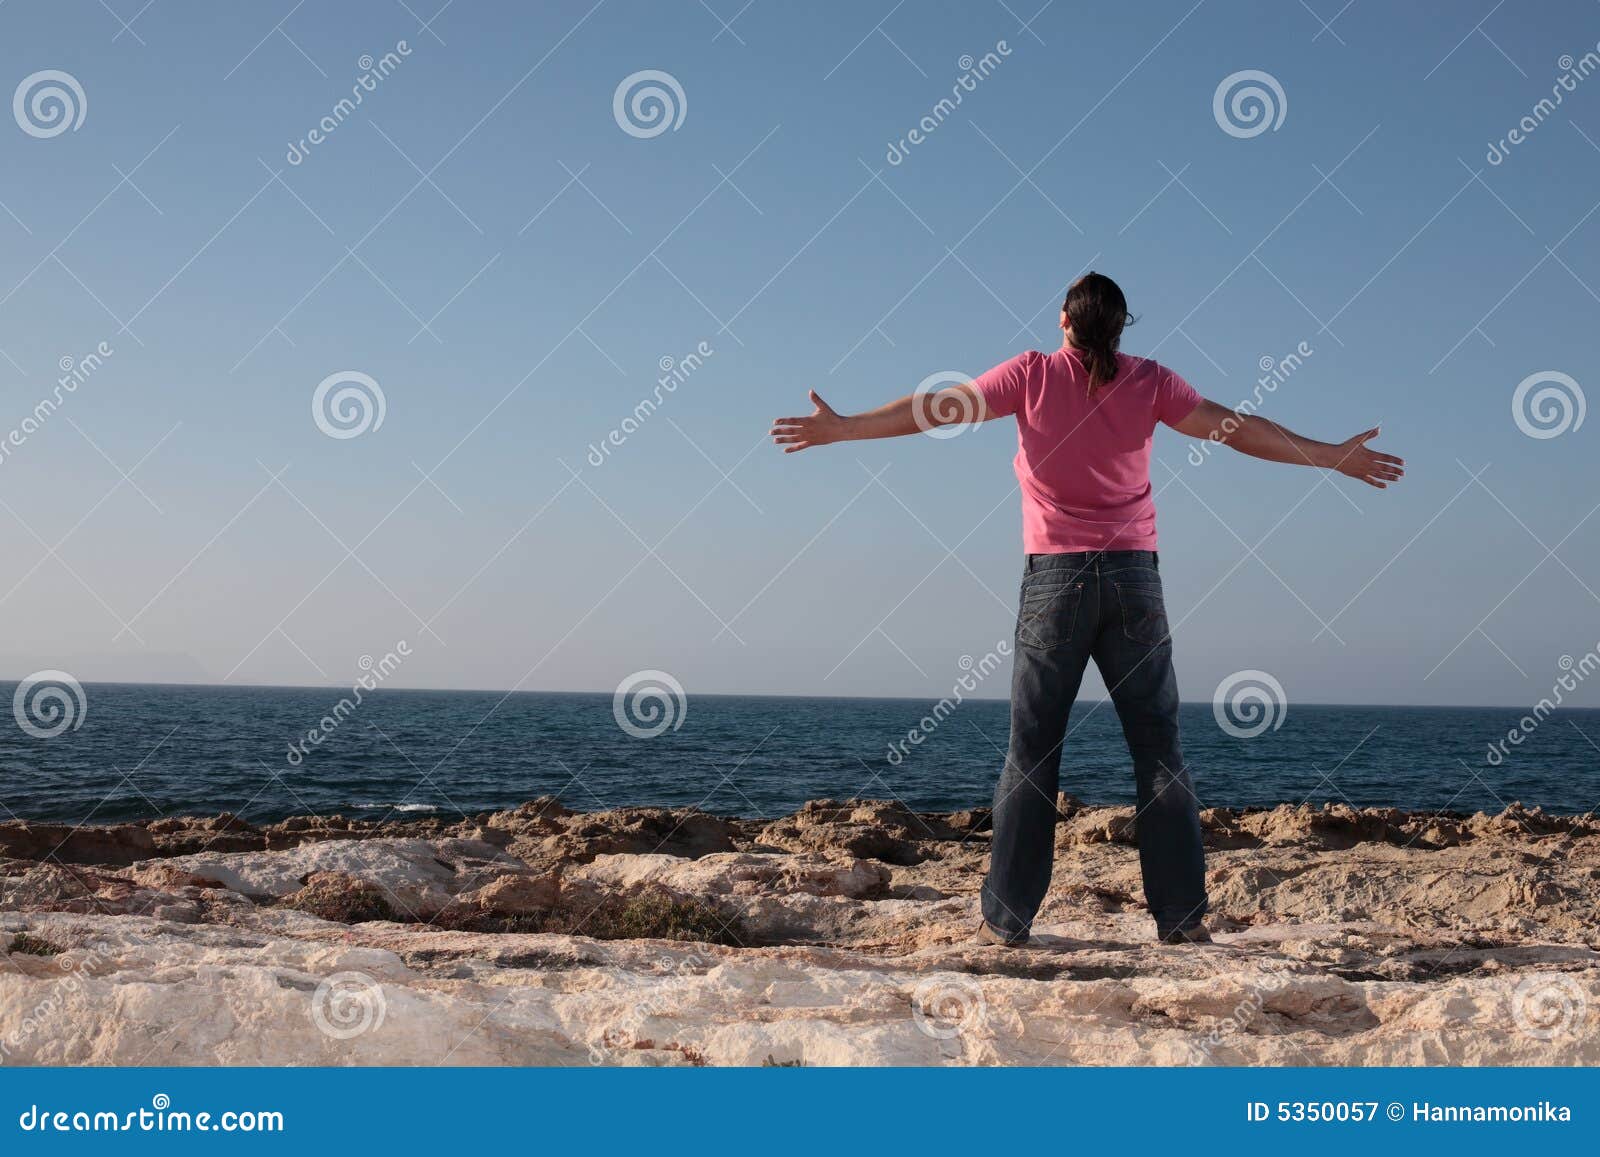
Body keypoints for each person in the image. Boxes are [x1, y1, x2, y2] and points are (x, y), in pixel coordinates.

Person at [770, 272, 1405, 947]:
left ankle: (1008, 920)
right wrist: (1331, 456)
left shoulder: (1031, 374)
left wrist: (843, 429)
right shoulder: (1152, 381)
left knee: (1033, 752)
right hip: (1135, 580)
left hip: (1055, 583)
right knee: (1159, 752)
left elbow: (934, 408)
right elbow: (1238, 430)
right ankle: (1183, 921)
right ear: (1122, 327)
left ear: (1064, 322)